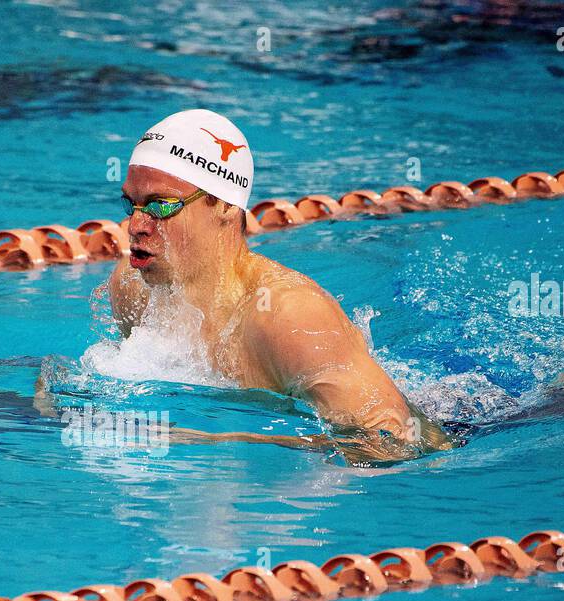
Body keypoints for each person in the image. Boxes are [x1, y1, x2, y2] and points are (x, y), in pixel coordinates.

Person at [107, 108, 452, 464]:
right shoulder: (134, 286)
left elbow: (393, 447)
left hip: (451, 442)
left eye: (161, 206)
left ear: (225, 205)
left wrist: (223, 438)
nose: (135, 225)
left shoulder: (288, 316)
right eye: (130, 204)